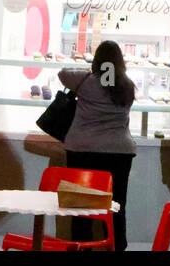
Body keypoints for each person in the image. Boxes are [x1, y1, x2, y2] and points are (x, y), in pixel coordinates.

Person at [58, 40, 135, 251]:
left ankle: (83, 247)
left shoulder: (85, 81)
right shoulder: (127, 87)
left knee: (81, 207)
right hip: (120, 152)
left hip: (83, 150)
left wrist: (90, 69)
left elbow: (63, 72)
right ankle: (116, 246)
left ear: (98, 61)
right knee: (116, 206)